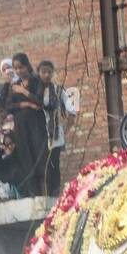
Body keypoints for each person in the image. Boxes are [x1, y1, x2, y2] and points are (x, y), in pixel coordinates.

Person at [0, 53, 48, 195]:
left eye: (21, 67)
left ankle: (44, 193)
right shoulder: (15, 85)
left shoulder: (36, 81)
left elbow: (39, 101)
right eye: (16, 68)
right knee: (26, 159)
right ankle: (33, 193)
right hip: (21, 128)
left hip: (35, 126)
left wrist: (23, 91)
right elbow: (9, 106)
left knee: (38, 157)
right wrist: (26, 103)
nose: (18, 71)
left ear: (27, 66)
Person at [37, 60, 72, 194]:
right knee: (41, 163)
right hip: (38, 133)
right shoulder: (34, 90)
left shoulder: (57, 90)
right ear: (38, 73)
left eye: (49, 72)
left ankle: (54, 192)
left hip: (54, 134)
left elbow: (71, 111)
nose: (46, 75)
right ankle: (43, 192)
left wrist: (65, 130)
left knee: (53, 163)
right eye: (43, 72)